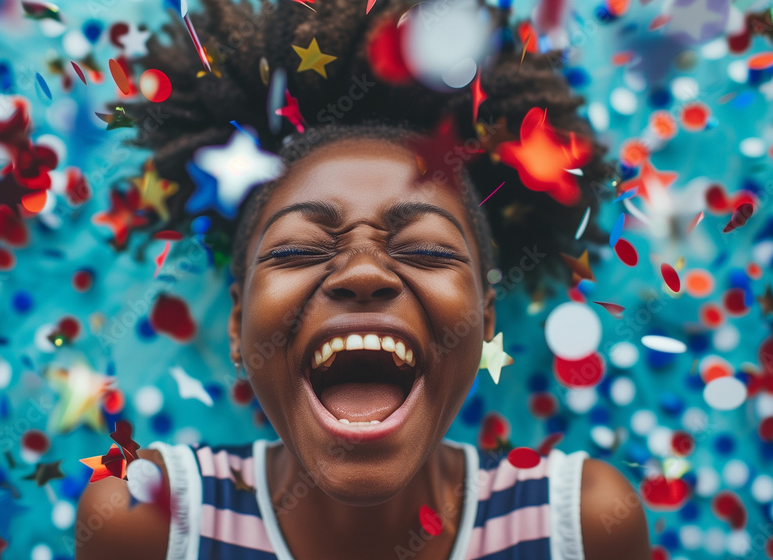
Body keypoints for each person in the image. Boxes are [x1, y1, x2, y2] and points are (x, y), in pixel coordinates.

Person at [77, 0, 650, 558]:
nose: (363, 272)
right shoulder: (147, 517)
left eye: (425, 250)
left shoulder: (579, 524)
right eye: (299, 249)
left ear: (485, 322)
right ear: (237, 322)